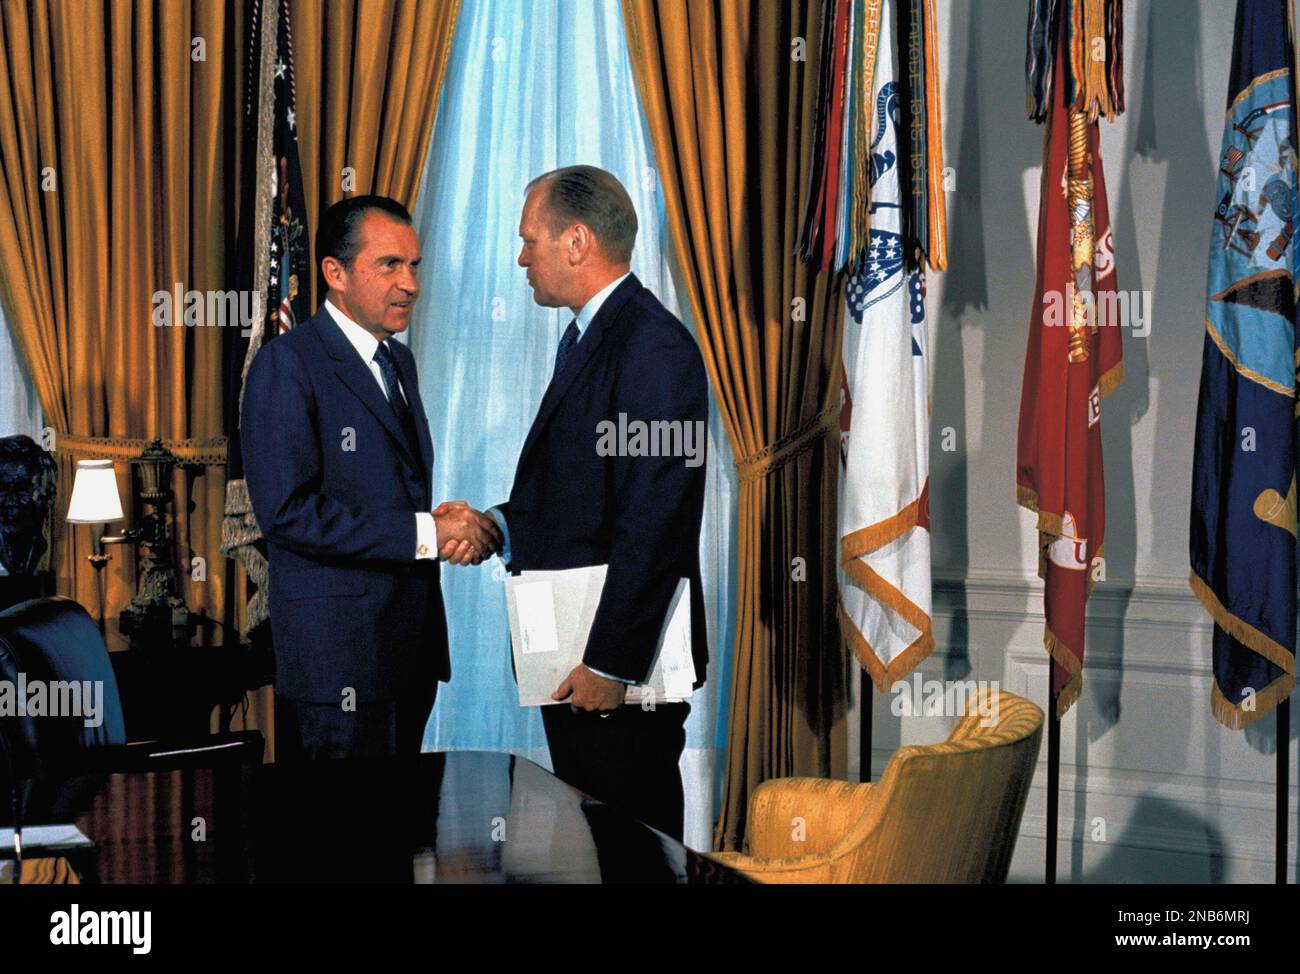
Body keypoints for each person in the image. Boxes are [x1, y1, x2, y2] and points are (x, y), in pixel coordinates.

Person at [488, 166, 709, 839]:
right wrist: (498, 525)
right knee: (593, 852)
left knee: (633, 853)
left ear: (577, 241)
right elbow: (576, 493)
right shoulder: (596, 336)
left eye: (531, 240)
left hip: (615, 676)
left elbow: (656, 518)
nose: (522, 256)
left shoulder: (652, 346)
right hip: (580, 666)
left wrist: (612, 664)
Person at [242, 194, 500, 760]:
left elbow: (383, 490)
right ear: (334, 273)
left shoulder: (398, 361)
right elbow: (289, 515)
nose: (410, 284)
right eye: (390, 265)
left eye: (415, 266)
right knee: (345, 844)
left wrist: (436, 522)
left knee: (395, 841)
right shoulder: (287, 365)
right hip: (339, 666)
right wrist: (428, 533)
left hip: (409, 655)